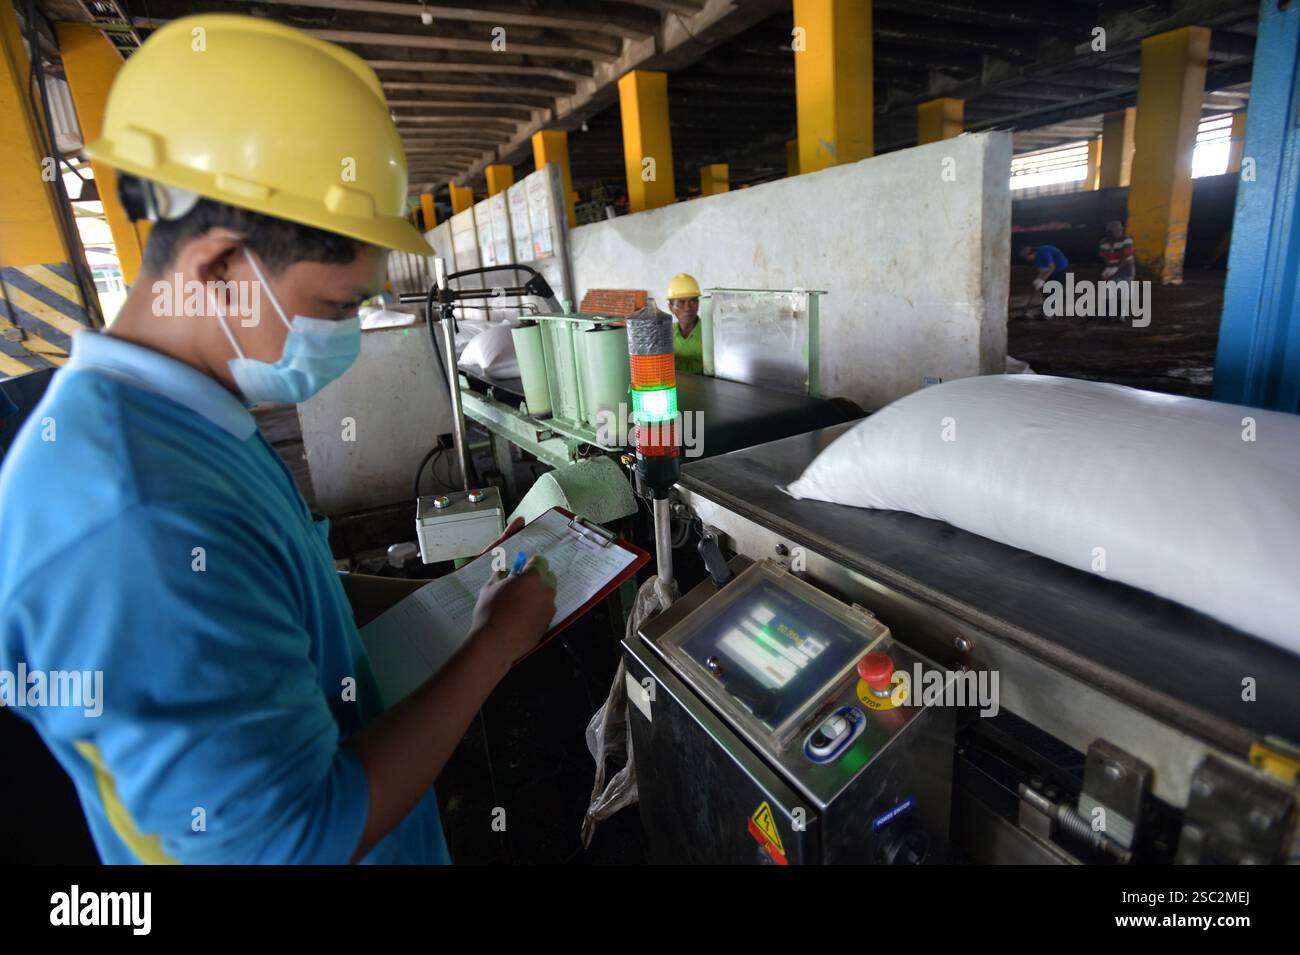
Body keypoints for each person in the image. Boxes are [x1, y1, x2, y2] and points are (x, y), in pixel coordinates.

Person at [0, 15, 555, 864]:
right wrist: (493, 648)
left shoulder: (194, 420)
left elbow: (293, 604)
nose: (348, 333)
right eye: (336, 307)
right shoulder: (133, 514)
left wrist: (469, 587)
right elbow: (296, 837)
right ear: (221, 267)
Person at [665, 272, 704, 374]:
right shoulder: (665, 335)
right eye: (681, 302)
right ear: (670, 307)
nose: (687, 308)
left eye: (693, 301)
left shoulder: (710, 333)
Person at [1019, 244, 1069, 318]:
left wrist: (1042, 280)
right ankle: (1047, 308)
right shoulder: (1036, 259)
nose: (1027, 260)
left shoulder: (1044, 252)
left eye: (1027, 258)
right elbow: (1041, 271)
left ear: (1031, 253)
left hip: (1060, 269)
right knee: (1045, 290)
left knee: (1053, 290)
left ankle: (1049, 312)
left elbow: (1052, 267)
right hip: (1050, 270)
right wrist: (1038, 279)